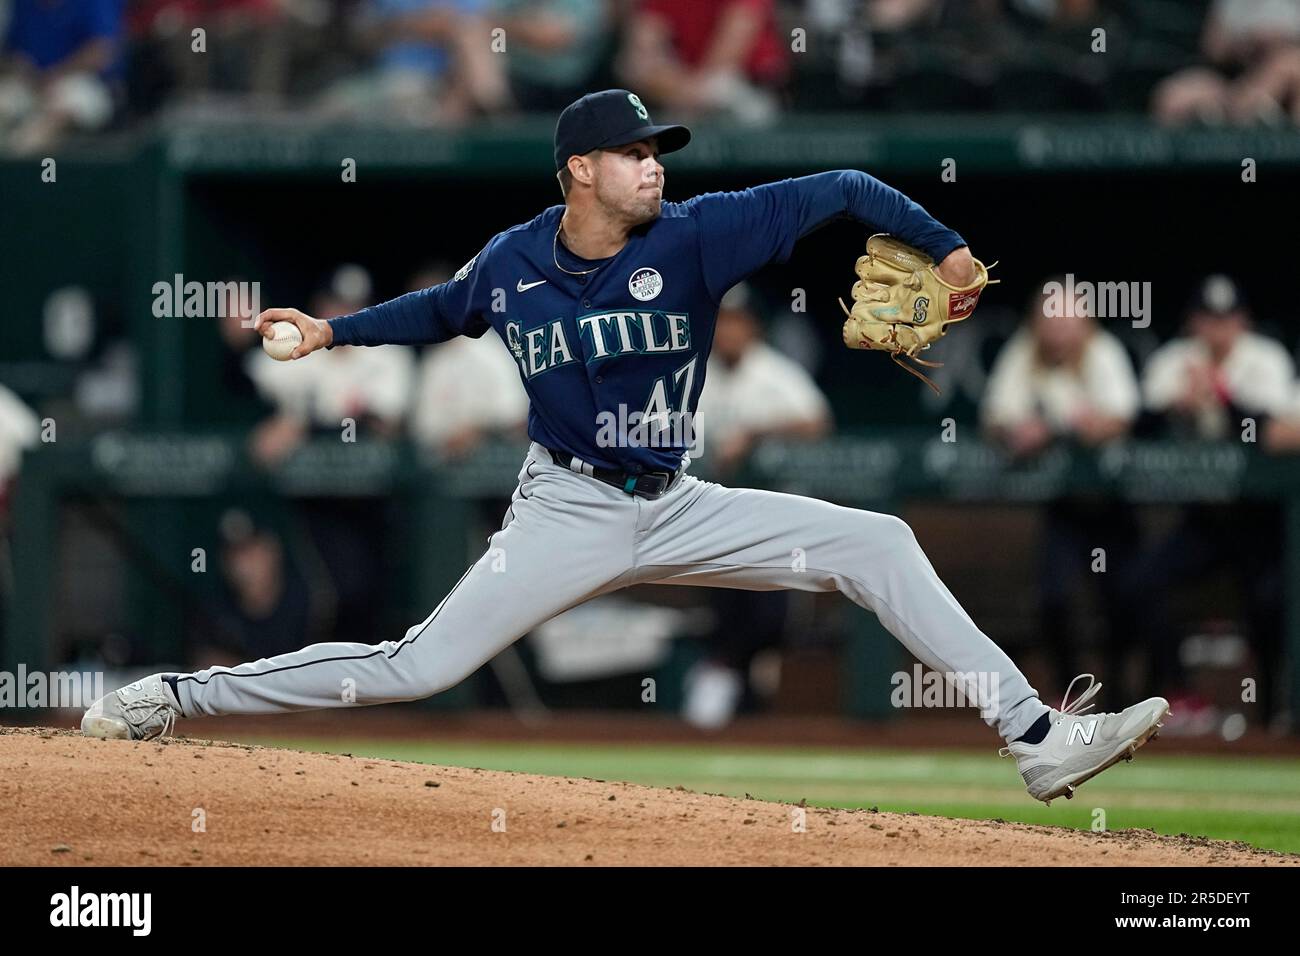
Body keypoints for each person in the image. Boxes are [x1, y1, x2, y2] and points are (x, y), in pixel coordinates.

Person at [81, 88, 1168, 805]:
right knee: (414, 666)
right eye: (634, 152)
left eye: (657, 151)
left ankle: (1036, 736)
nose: (655, 165)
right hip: (566, 509)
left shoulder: (697, 232)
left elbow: (841, 188)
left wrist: (950, 250)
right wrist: (331, 332)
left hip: (678, 496)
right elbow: (447, 309)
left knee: (876, 539)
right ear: (579, 171)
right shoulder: (513, 260)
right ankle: (174, 696)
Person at [1123, 275, 1293, 729]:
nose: (1218, 330)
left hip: (1257, 519)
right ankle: (1178, 698)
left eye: (1228, 319)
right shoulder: (1175, 361)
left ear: (1243, 321)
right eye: (1208, 319)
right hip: (1202, 517)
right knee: (1141, 582)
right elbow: (1136, 427)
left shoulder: (1266, 359)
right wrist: (1177, 404)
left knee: (1272, 600)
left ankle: (1275, 708)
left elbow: (1272, 434)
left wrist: (1222, 395)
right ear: (1194, 322)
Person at [682, 282, 832, 729]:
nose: (728, 332)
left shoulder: (774, 372)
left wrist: (756, 433)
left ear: (753, 327)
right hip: (711, 517)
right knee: (724, 610)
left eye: (737, 322)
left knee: (770, 614)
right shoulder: (695, 374)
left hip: (775, 518)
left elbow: (816, 423)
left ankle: (739, 680)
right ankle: (730, 679)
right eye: (722, 322)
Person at [981, 284, 1141, 701]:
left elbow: (1118, 420)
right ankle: (1070, 697)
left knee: (1123, 598)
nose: (1059, 332)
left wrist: (1051, 426)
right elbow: (996, 420)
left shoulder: (1102, 351)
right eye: (1051, 322)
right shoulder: (1025, 351)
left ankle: (1122, 697)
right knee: (1053, 597)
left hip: (1112, 502)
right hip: (1064, 505)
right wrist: (1018, 433)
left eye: (1068, 322)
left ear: (1085, 323)